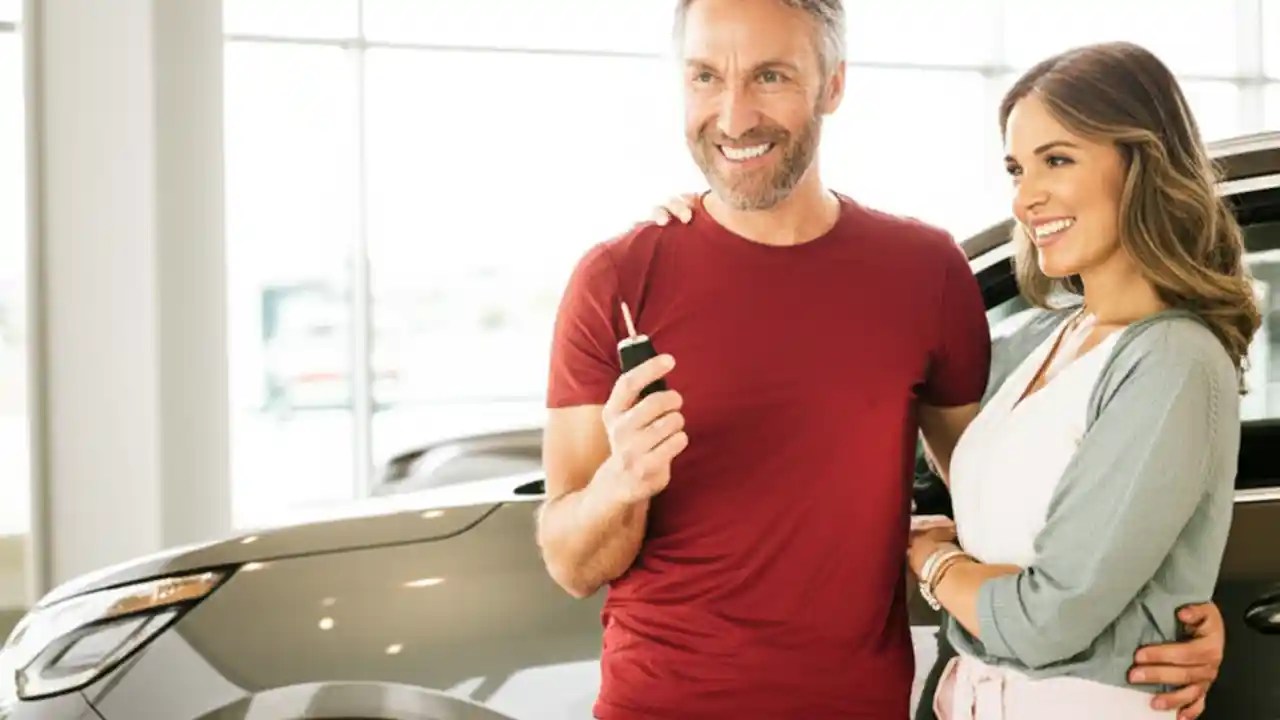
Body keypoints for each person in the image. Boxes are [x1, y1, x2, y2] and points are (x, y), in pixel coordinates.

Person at [536, 0, 1228, 716]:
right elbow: (570, 563)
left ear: (834, 84)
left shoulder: (925, 272)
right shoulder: (618, 280)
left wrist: (1158, 614)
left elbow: (999, 496)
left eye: (770, 76)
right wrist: (622, 484)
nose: (734, 116)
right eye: (706, 77)